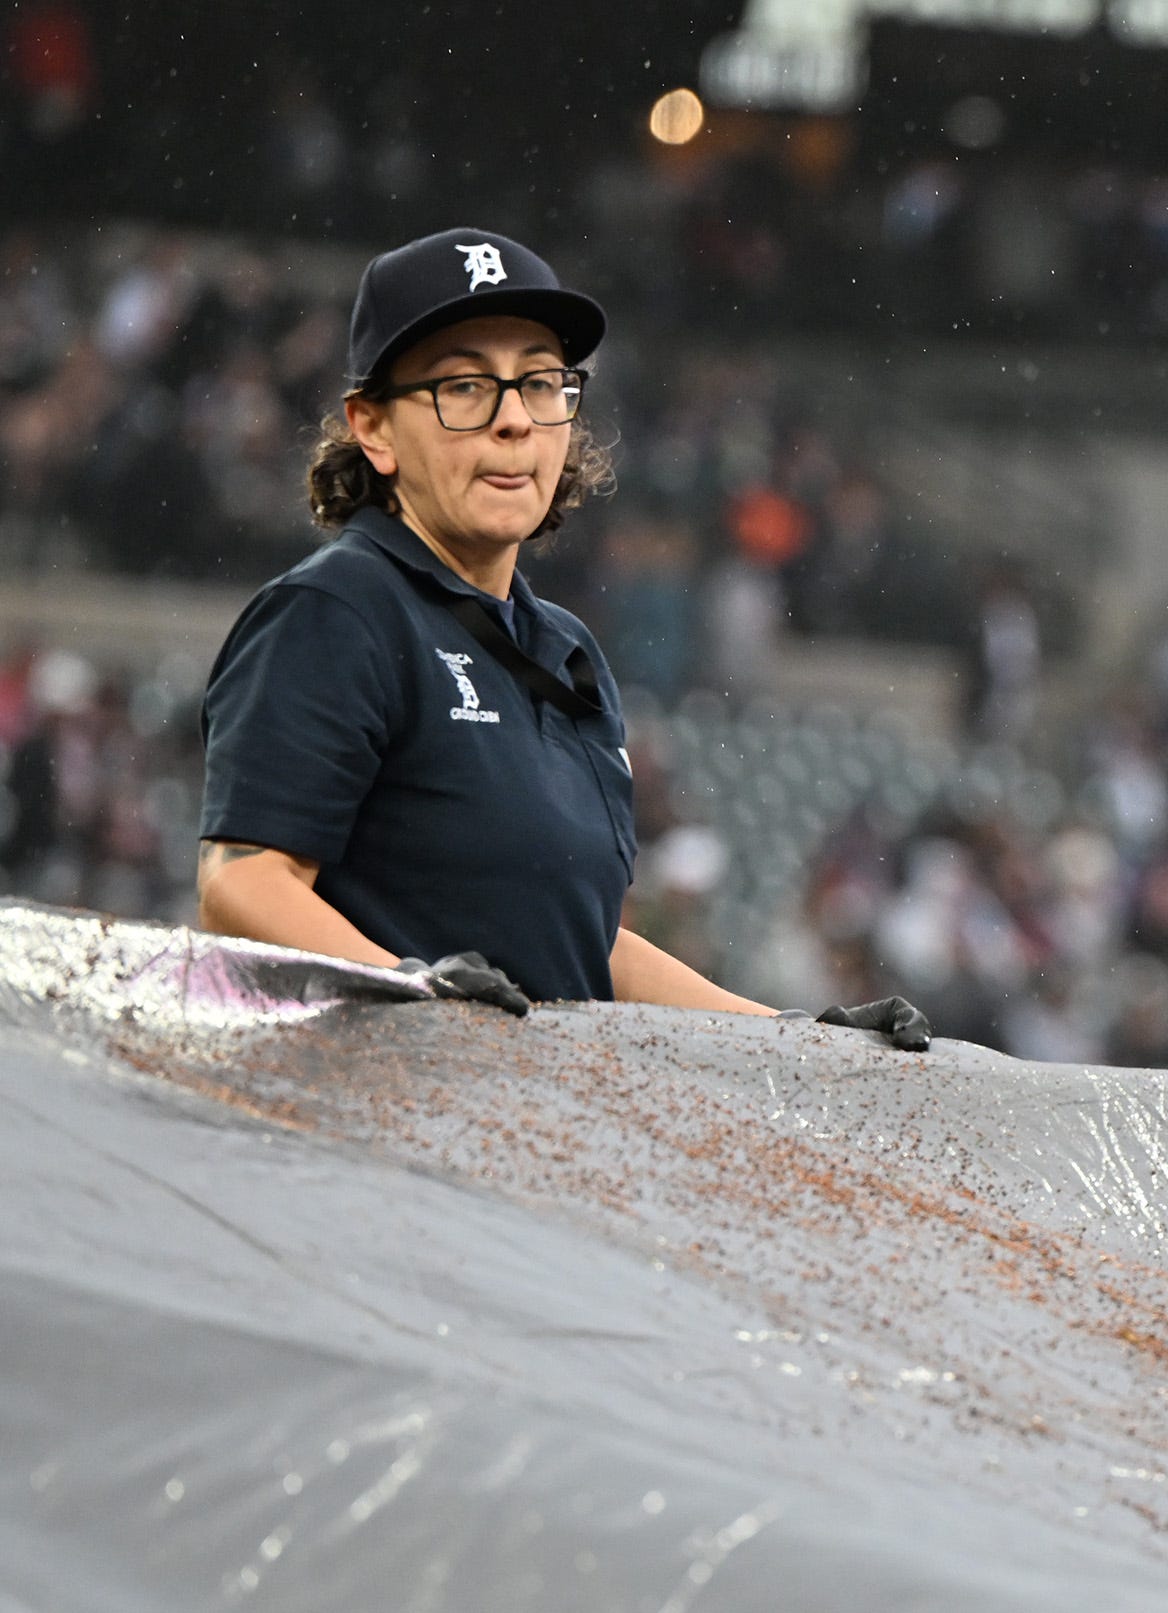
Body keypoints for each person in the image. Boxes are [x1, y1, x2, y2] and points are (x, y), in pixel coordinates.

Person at [193, 227, 922, 1048]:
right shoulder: (337, 611)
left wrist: (795, 1038)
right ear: (374, 428)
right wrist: (410, 989)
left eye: (540, 383)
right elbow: (244, 880)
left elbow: (586, 946)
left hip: (524, 1121)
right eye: (465, 386)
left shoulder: (565, 649)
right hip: (377, 1113)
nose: (514, 420)